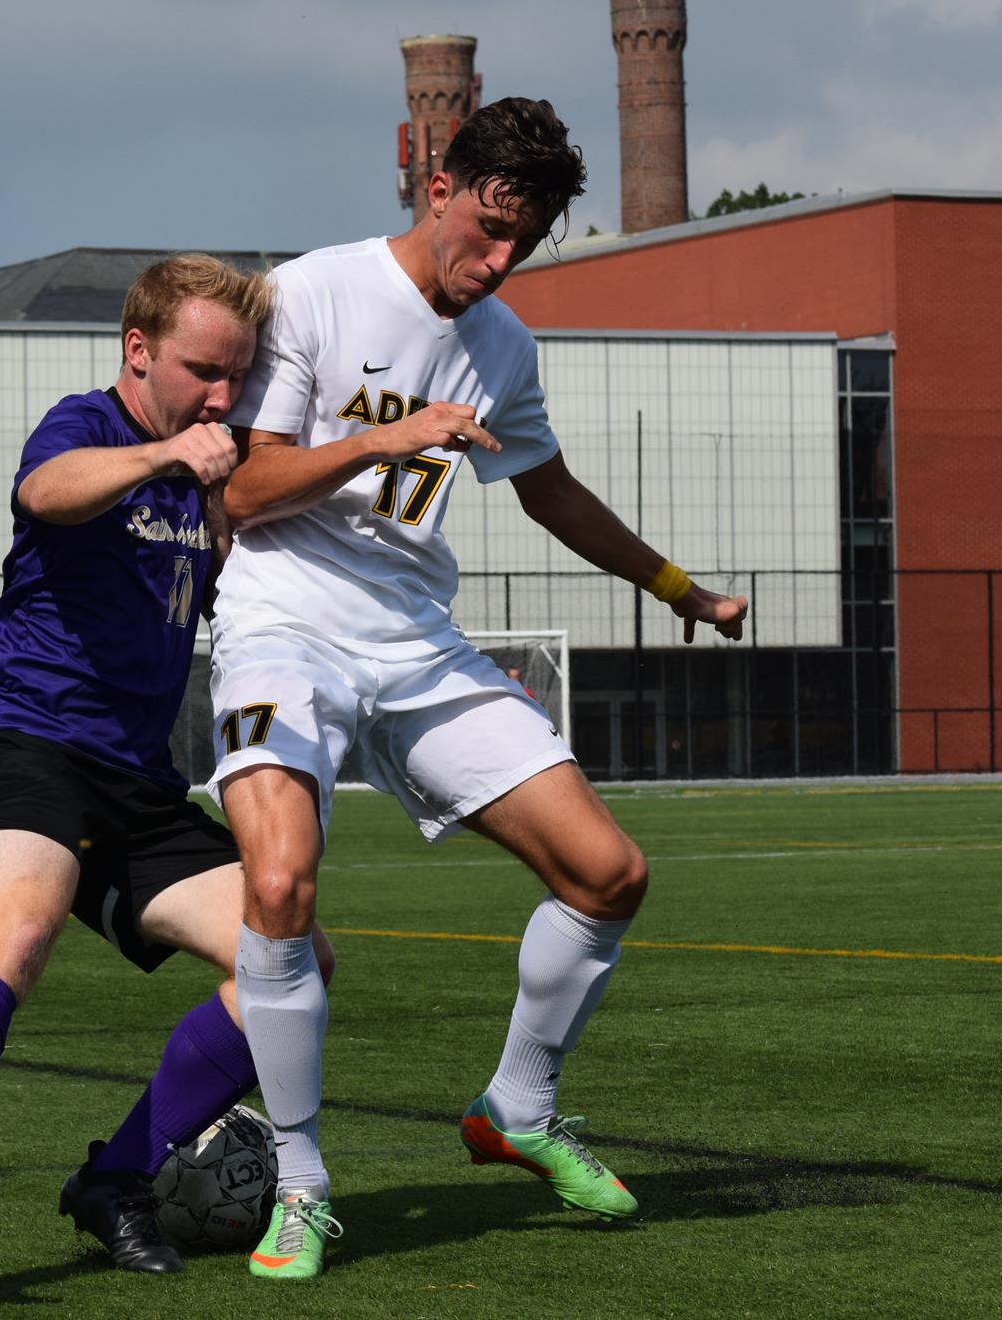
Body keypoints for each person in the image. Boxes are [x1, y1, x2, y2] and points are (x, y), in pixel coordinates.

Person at [206, 97, 749, 1280]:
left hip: (414, 643)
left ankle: (515, 1109)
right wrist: (374, 443)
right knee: (281, 879)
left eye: (526, 243)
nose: (496, 263)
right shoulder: (310, 293)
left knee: (607, 872)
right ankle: (299, 1184)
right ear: (436, 186)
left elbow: (550, 492)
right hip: (280, 627)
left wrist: (679, 590)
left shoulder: (502, 345)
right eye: (487, 230)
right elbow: (242, 498)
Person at [0, 254, 334, 1275]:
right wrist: (165, 461)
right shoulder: (89, 426)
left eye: (236, 375)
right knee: (20, 925)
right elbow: (46, 488)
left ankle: (113, 1179)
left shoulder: (210, 472)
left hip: (138, 785)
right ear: (137, 351)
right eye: (202, 370)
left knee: (289, 965)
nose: (222, 396)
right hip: (26, 746)